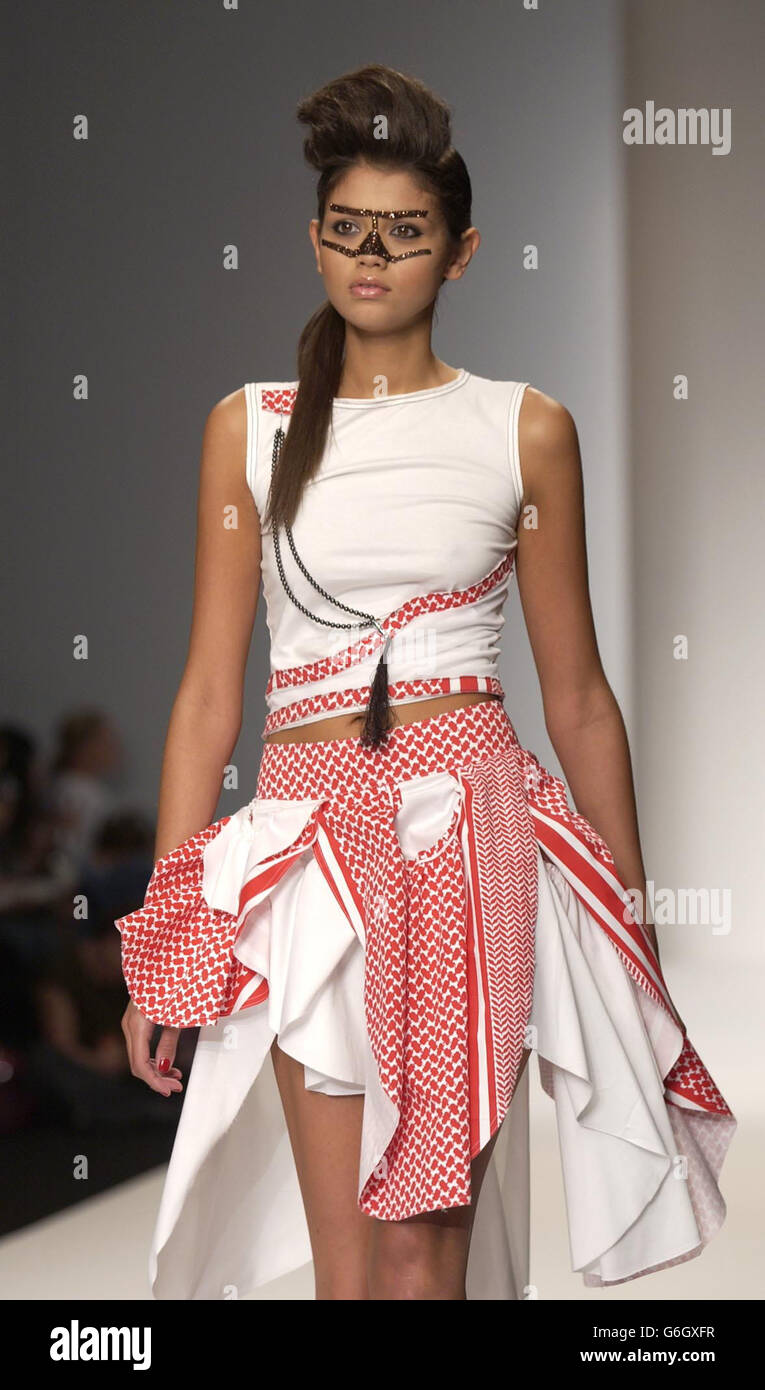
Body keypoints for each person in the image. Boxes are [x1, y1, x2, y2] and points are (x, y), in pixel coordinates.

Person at [116, 64, 735, 1301]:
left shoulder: (524, 426)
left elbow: (579, 699)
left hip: (469, 841)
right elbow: (205, 698)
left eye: (404, 234)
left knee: (424, 1251)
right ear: (314, 240)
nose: (372, 256)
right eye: (348, 230)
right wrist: (168, 942)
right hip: (304, 855)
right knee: (350, 1265)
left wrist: (636, 918)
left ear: (459, 254)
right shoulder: (249, 427)